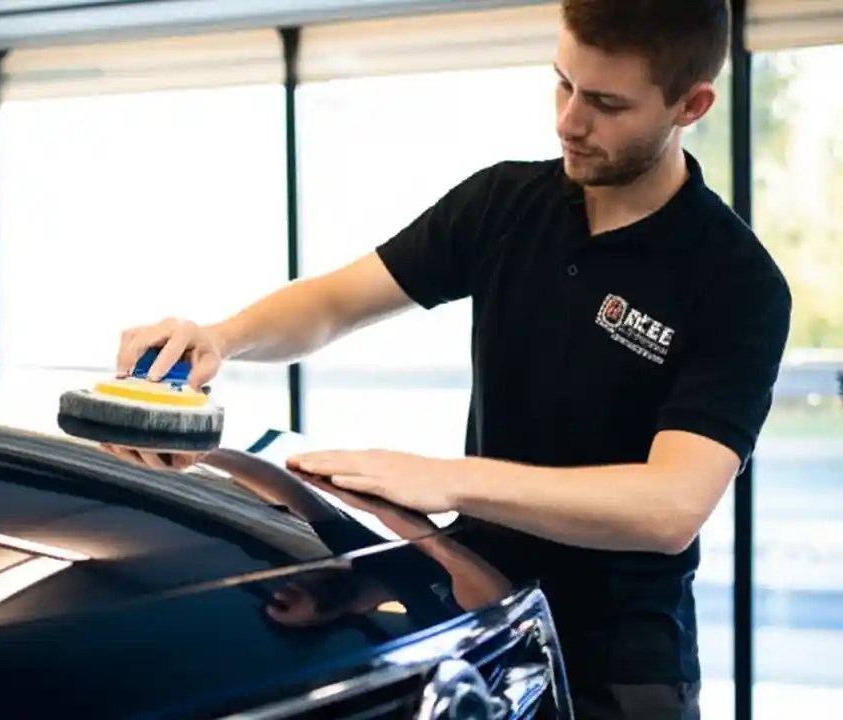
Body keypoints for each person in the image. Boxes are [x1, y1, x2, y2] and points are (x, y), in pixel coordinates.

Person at [114, 1, 792, 717]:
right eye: (562, 84)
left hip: (620, 667)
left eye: (605, 103)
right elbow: (335, 302)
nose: (568, 121)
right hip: (476, 621)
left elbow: (669, 507)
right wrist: (221, 335)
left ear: (692, 104)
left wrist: (447, 481)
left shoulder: (736, 283)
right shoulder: (504, 203)